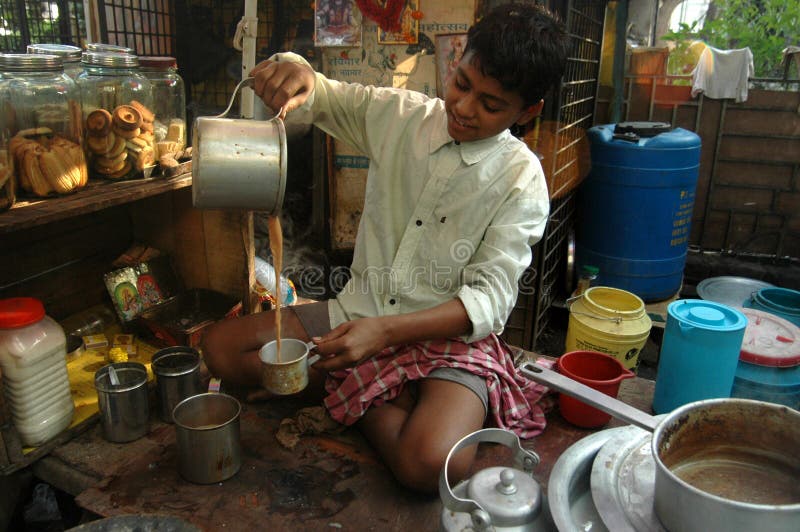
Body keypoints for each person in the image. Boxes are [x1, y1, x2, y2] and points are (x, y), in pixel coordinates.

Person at [201, 2, 569, 494]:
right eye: (461, 84)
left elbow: (489, 301)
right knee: (221, 351)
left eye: (490, 104)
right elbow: (325, 95)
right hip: (357, 315)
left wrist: (383, 334)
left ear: (528, 111)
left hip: (449, 347)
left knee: (432, 467)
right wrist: (296, 73)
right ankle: (379, 393)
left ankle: (364, 397)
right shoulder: (401, 116)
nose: (463, 107)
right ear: (455, 62)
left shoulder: (521, 180)